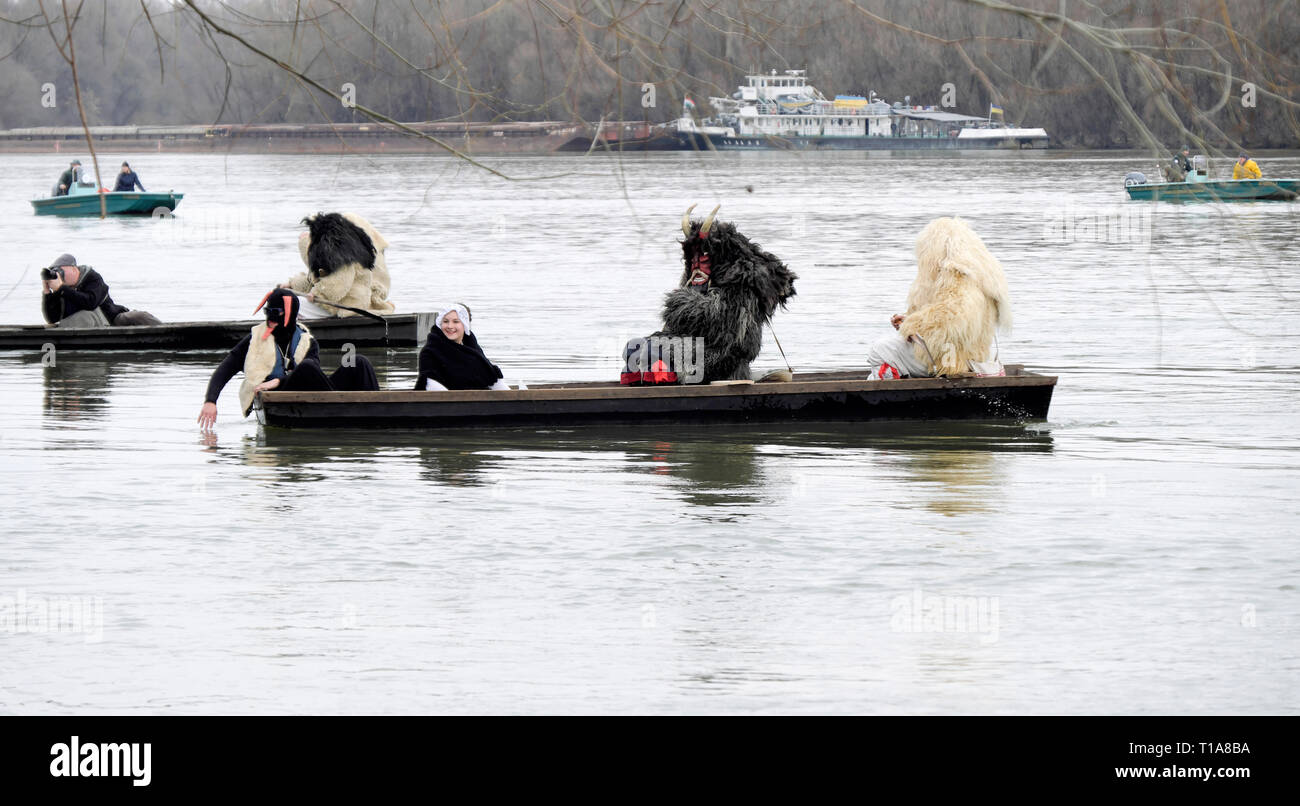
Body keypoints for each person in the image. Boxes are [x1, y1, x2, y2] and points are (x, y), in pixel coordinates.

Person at [198, 288, 380, 429]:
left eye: (275, 312)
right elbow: (225, 369)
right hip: (280, 398)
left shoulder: (307, 341)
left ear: (289, 314)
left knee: (358, 361)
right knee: (307, 366)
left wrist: (277, 381)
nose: (270, 318)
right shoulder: (253, 340)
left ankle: (381, 410)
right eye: (267, 311)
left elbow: (313, 374)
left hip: (315, 395)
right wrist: (210, 401)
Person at [866, 217, 1011, 379]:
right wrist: (910, 320)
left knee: (880, 349)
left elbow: (951, 321)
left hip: (953, 361)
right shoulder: (983, 277)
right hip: (972, 357)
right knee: (875, 373)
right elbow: (957, 320)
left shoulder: (956, 276)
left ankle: (893, 398)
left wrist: (911, 324)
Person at [281, 212, 395, 316]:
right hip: (343, 302)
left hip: (347, 306)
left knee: (289, 304)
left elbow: (338, 284)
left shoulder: (344, 255)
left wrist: (318, 295)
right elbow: (315, 279)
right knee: (288, 300)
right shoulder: (336, 252)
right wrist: (292, 284)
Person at [41, 253, 162, 328]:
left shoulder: (92, 278)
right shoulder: (61, 290)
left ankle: (166, 330)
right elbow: (52, 319)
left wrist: (63, 288)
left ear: (73, 269)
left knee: (137, 316)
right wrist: (47, 293)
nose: (59, 275)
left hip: (111, 319)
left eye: (61, 271)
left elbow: (90, 302)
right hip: (82, 326)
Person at [414, 304, 508, 391]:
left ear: (465, 324)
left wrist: (513, 398)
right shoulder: (430, 351)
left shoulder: (472, 348)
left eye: (456, 322)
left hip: (475, 402)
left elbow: (490, 376)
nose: (450, 326)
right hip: (445, 404)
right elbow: (430, 383)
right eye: (445, 321)